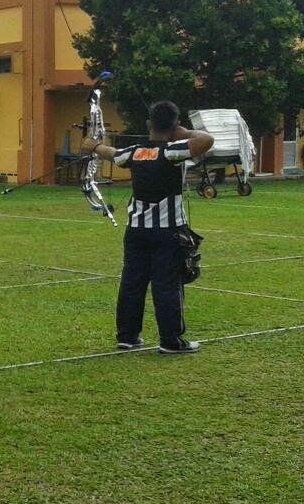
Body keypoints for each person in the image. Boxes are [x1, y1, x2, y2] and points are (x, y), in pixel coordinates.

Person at [83, 100, 214, 355]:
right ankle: (171, 341)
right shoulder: (172, 151)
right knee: (167, 284)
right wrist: (183, 132)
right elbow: (206, 140)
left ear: (148, 124)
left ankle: (128, 336)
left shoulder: (133, 152)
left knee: (132, 282)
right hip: (168, 232)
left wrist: (94, 146)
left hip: (136, 231)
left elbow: (112, 153)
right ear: (174, 125)